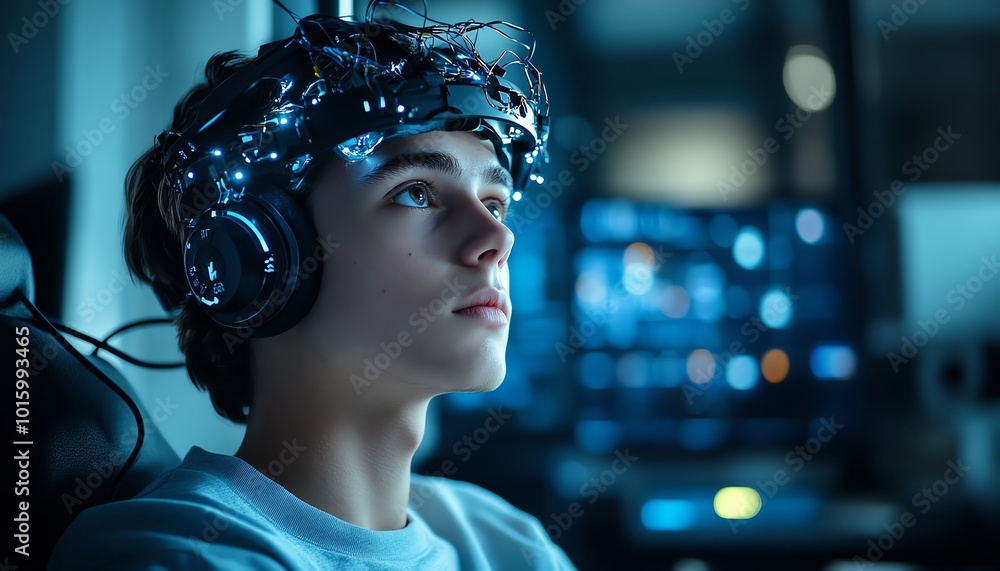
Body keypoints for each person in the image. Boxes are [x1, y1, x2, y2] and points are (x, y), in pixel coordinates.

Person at [48, 2, 574, 569]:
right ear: (256, 256)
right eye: (417, 192)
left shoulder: (501, 538)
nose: (497, 238)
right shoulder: (178, 555)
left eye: (494, 202)